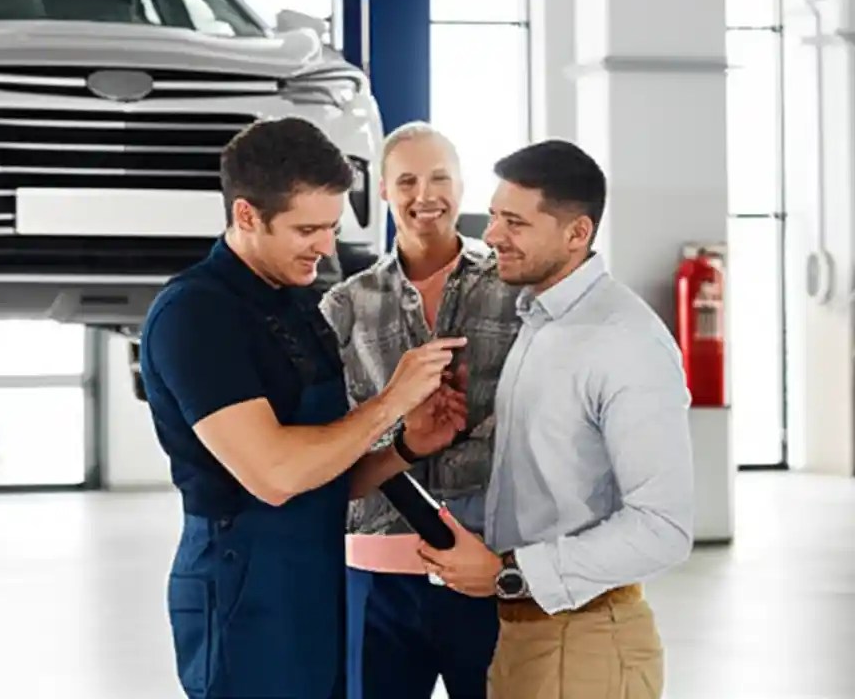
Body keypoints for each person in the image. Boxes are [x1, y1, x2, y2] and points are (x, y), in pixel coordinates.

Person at [137, 116, 468, 699]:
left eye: (333, 227)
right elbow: (276, 474)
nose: (326, 245)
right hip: (241, 585)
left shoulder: (298, 304)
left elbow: (328, 474)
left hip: (316, 581)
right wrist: (393, 399)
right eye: (307, 228)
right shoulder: (196, 315)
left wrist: (408, 446)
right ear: (246, 215)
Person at [418, 139, 695, 699]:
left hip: (587, 641)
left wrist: (509, 572)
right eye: (495, 216)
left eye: (515, 222)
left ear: (577, 234)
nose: (492, 235)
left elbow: (665, 529)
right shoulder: (542, 321)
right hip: (525, 633)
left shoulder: (623, 340)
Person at [318, 122, 522, 699]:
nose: (423, 195)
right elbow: (332, 436)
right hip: (377, 573)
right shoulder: (344, 305)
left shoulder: (514, 291)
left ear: (462, 186)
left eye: (439, 178)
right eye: (406, 180)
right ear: (382, 190)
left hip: (484, 564)